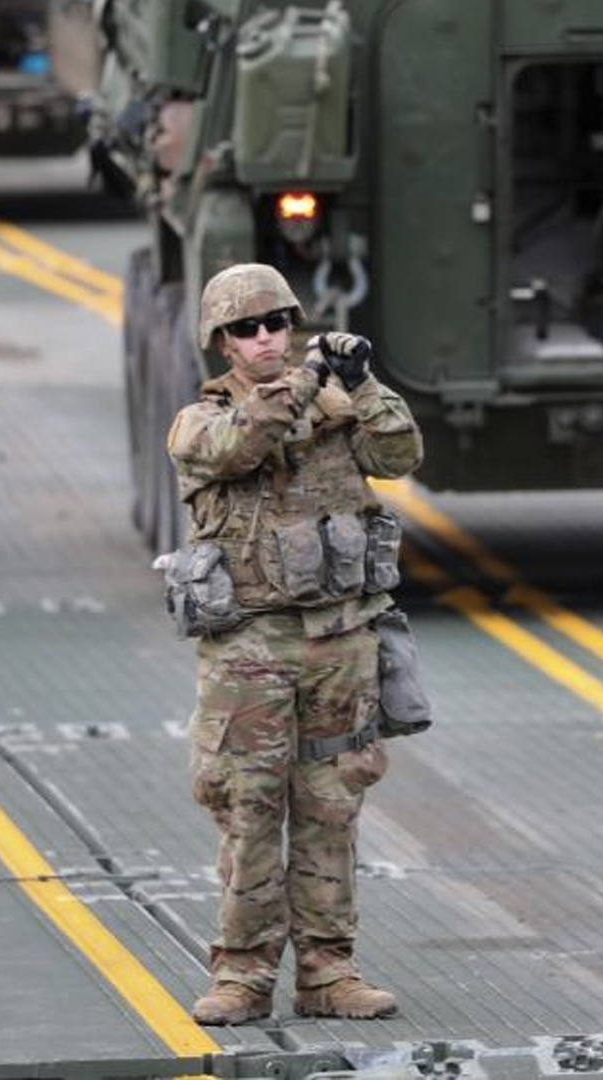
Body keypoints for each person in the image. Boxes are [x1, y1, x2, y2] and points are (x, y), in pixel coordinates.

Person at [166, 263, 422, 1025]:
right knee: (249, 808)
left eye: (277, 322)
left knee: (331, 807)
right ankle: (242, 975)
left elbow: (400, 455)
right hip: (250, 647)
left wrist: (365, 384)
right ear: (221, 343)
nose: (266, 338)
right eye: (247, 329)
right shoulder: (200, 422)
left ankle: (328, 970)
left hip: (338, 639)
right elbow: (250, 441)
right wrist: (311, 380)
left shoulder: (341, 409)